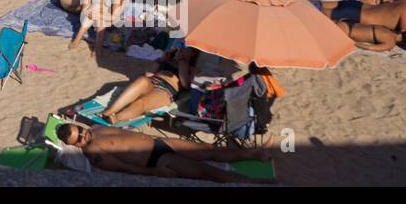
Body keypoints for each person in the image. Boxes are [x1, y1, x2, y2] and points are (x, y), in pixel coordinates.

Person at [55, 123, 271, 183]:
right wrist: (156, 173)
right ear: (75, 146)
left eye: (80, 131)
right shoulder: (94, 152)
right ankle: (255, 182)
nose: (84, 136)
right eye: (79, 139)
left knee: (209, 150)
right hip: (156, 159)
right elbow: (124, 168)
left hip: (160, 143)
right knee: (206, 171)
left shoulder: (95, 128)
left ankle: (254, 154)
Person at [97, 47, 199, 124]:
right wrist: (161, 60)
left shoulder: (192, 68)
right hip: (152, 81)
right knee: (142, 79)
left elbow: (186, 84)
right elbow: (148, 74)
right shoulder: (169, 60)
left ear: (193, 53)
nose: (182, 49)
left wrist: (182, 62)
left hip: (166, 90)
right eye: (183, 47)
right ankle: (108, 111)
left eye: (187, 49)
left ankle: (116, 118)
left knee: (141, 102)